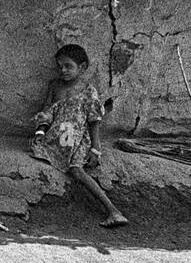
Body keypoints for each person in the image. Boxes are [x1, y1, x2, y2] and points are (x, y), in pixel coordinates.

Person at [30, 43, 127, 229]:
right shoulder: (54, 86)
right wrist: (40, 131)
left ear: (81, 67)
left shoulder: (88, 90)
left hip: (79, 139)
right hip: (58, 137)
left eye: (68, 66)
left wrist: (96, 148)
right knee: (38, 150)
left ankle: (114, 211)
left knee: (76, 171)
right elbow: (46, 112)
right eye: (60, 66)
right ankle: (114, 211)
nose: (63, 70)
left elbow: (94, 119)